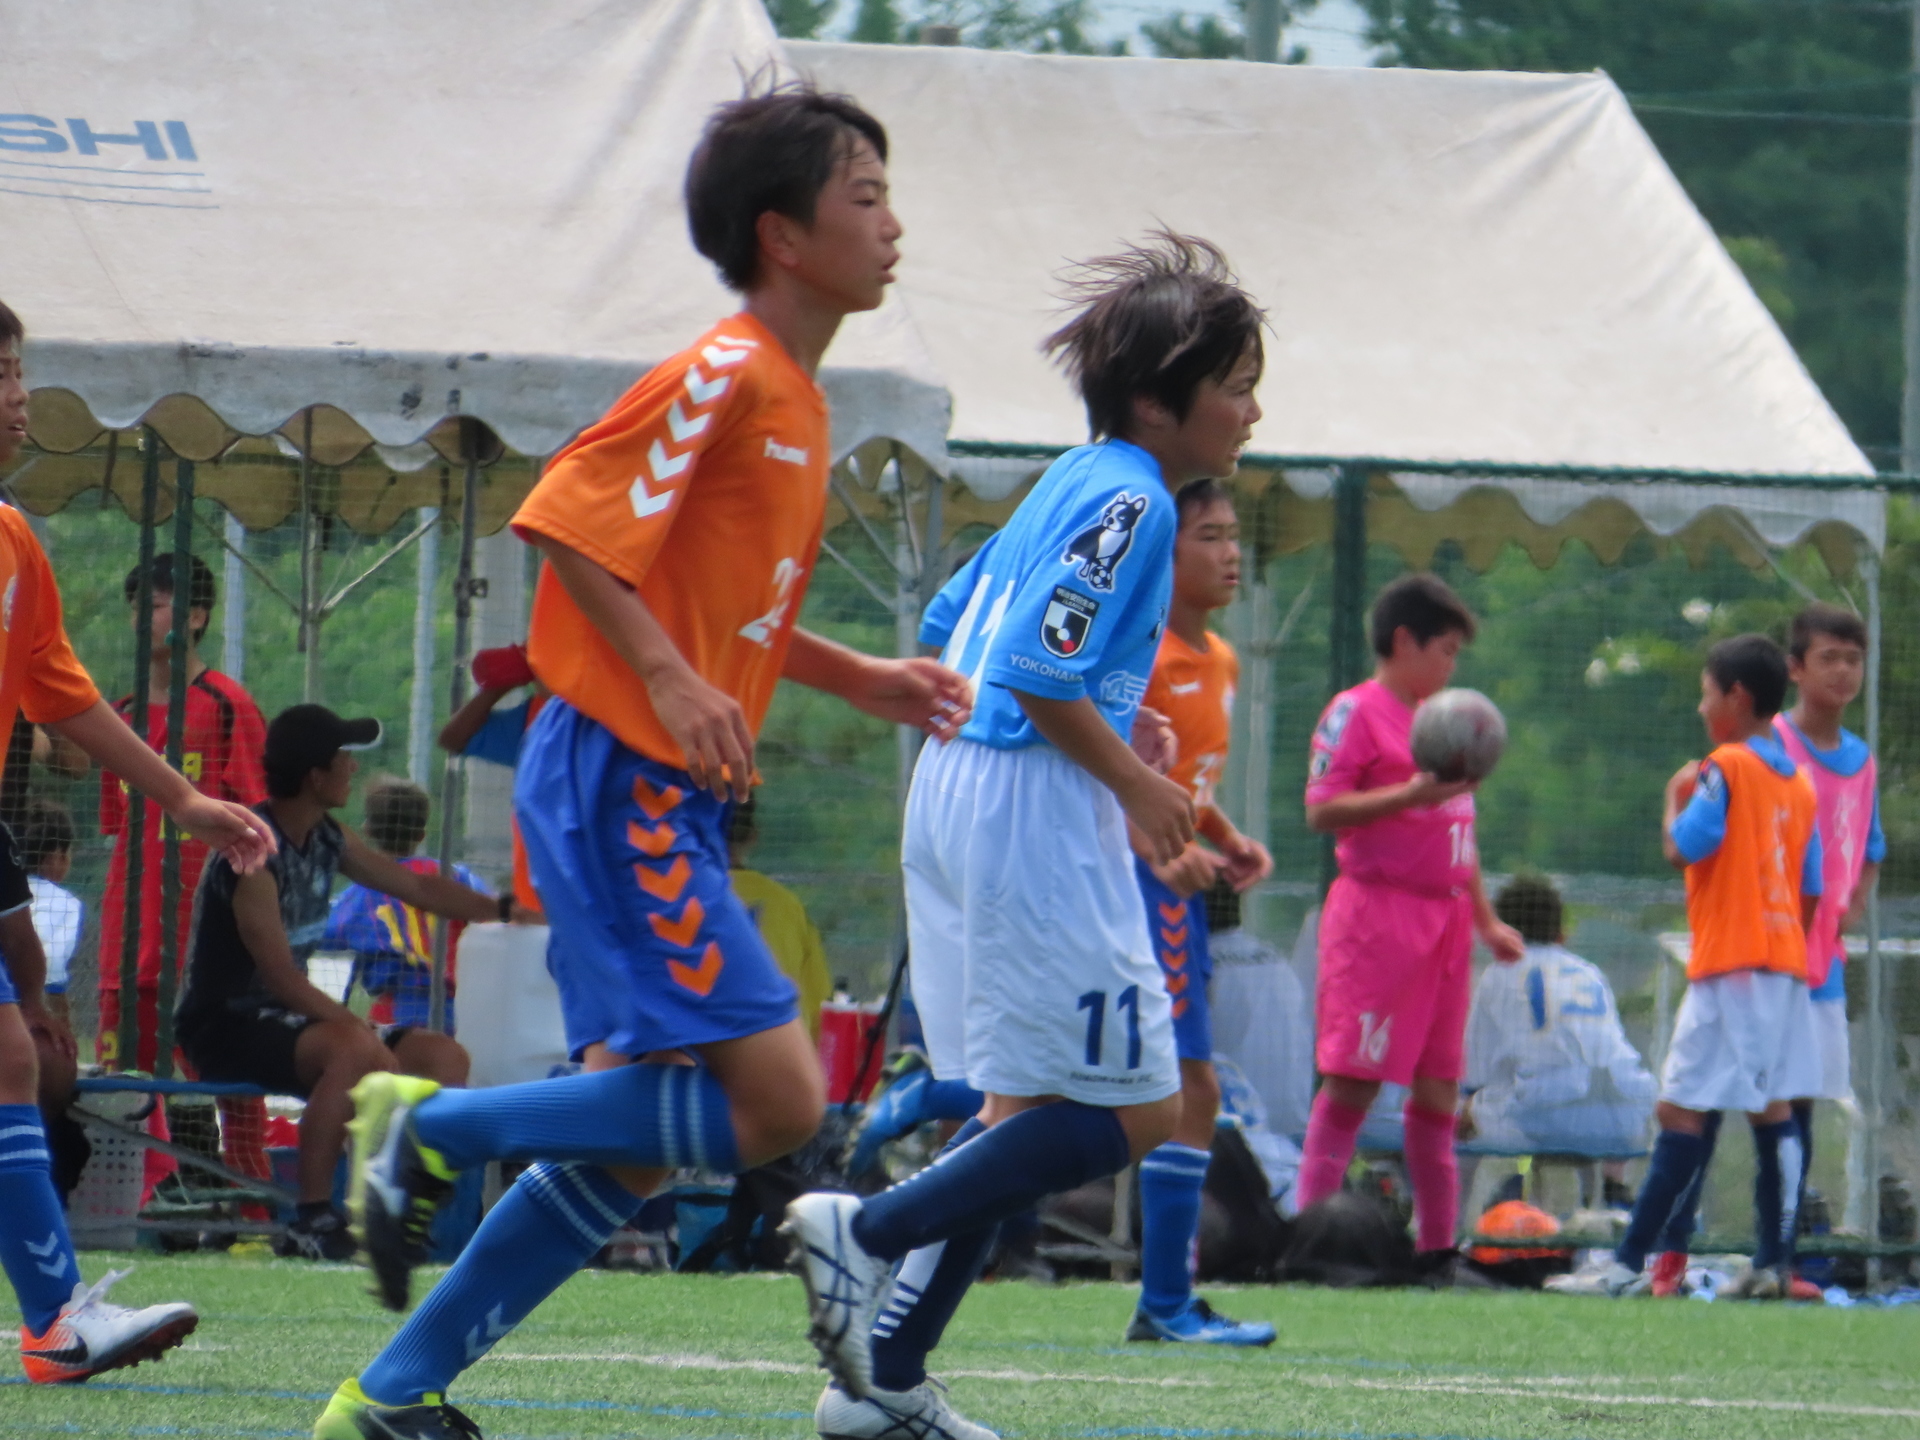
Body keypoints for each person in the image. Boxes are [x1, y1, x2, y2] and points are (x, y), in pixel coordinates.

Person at [316, 81, 968, 1440]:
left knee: (629, 1152)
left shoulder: (797, 402)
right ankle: (426, 1130)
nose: (894, 225)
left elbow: (735, 612)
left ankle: (386, 1398)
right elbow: (565, 517)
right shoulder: (728, 372)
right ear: (783, 235)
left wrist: (867, 679)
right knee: (778, 1099)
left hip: (645, 781)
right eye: (867, 196)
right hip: (617, 773)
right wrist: (668, 681)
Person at [779, 229, 1265, 1440]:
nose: (1254, 408)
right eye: (1238, 382)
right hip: (1032, 797)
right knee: (1142, 1109)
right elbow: (1045, 667)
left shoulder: (1075, 474)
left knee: (1018, 1112)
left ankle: (883, 1381)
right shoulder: (1142, 501)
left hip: (960, 784)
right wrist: (1136, 781)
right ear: (1163, 400)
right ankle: (866, 1231)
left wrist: (1118, 707)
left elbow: (965, 616)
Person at [0, 296, 278, 1384]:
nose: (20, 396)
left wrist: (186, 802)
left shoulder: (16, 542)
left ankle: (58, 1320)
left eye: (21, 370)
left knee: (14, 1057)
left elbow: (65, 699)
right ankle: (58, 1318)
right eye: (3, 372)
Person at [1547, 634, 1821, 1300]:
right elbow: (1811, 884)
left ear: (1737, 698)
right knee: (1723, 1110)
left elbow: (1685, 846)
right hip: (1779, 962)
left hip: (1733, 965)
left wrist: (1675, 796)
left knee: (1722, 1111)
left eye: (1706, 693)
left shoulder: (1724, 767)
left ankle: (1663, 1266)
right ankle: (1733, 1263)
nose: (1702, 708)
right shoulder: (1800, 782)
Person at [174, 706, 496, 1261]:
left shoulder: (327, 836)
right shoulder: (252, 850)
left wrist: (509, 910)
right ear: (314, 777)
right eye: (343, 758)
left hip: (293, 1019)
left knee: (445, 1057)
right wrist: (358, 1032)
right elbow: (276, 975)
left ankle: (397, 1209)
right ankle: (313, 1217)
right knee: (350, 1048)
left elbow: (416, 889)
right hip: (225, 1025)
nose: (352, 768)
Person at [1297, 574, 1525, 1275]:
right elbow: (1321, 808)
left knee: (1438, 1096)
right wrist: (1412, 792)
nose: (1452, 667)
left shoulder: (1442, 719)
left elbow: (1460, 829)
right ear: (1404, 642)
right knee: (1353, 1084)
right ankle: (1311, 1241)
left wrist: (1485, 920)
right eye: (1445, 650)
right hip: (1379, 914)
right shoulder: (1356, 712)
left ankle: (1436, 1250)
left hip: (1446, 925)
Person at [1125, 477, 1274, 1345]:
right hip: (1140, 888)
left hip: (1175, 892)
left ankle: (1165, 1302)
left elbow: (1182, 784)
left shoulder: (1218, 658)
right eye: (1209, 536)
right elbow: (1109, 777)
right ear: (1164, 553)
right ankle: (1166, 1305)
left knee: (1169, 1085)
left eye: (1233, 535)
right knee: (1188, 1086)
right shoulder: (1139, 656)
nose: (1230, 552)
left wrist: (1225, 832)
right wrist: (1163, 852)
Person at [94, 552, 274, 1205]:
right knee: (123, 1085)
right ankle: (127, 1207)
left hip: (202, 935)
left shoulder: (228, 706)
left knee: (227, 1075)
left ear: (194, 617)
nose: (146, 616)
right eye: (138, 603)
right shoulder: (116, 716)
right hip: (127, 933)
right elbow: (120, 828)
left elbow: (256, 826)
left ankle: (252, 1213)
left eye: (161, 604)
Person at [1460, 875, 1655, 1159]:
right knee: (1595, 1090)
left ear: (1500, 932)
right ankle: (1611, 1190)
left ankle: (1455, 1204)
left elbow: (1476, 1074)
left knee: (1462, 1112)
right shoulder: (1590, 972)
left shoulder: (1500, 973)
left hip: (1547, 1114)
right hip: (1626, 1113)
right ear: (1561, 933)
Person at [324, 779, 491, 1032]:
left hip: (396, 1007)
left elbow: (324, 934)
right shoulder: (456, 878)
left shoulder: (361, 894)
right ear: (422, 833)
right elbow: (490, 912)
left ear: (367, 829)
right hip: (458, 1010)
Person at [437, 642, 547, 917]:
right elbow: (454, 737)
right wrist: (501, 682)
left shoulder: (623, 706)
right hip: (541, 897)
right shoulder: (536, 716)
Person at [726, 793, 831, 1042]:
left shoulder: (674, 903)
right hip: (779, 1059)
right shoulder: (786, 905)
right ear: (753, 837)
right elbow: (820, 1009)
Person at [21, 798, 81, 1028]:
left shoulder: (7, 888)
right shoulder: (66, 903)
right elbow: (52, 968)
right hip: (23, 1003)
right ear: (58, 855)